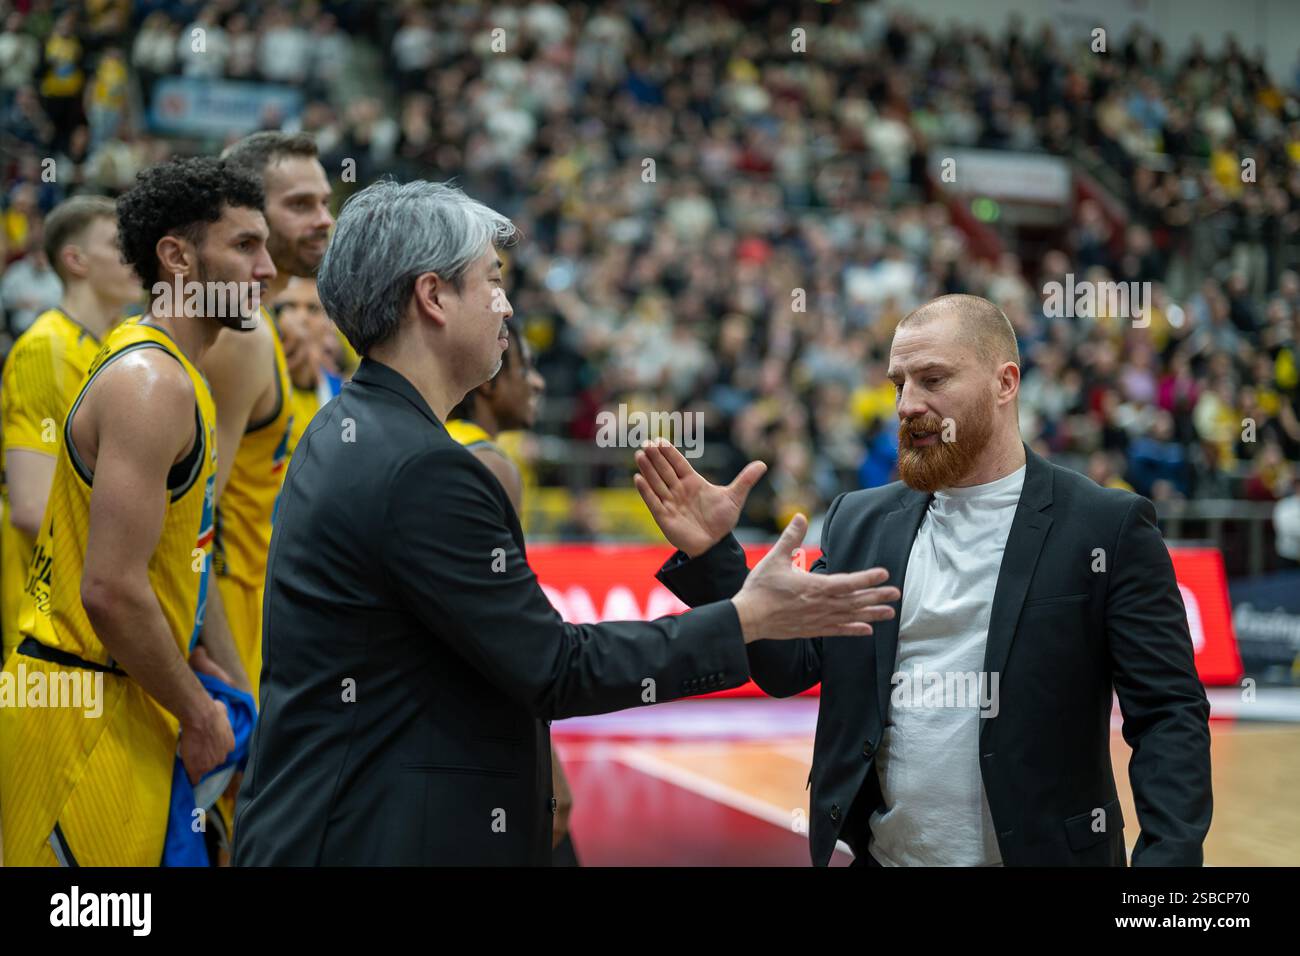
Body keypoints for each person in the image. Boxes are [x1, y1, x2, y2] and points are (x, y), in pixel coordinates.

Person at [232, 180, 900, 866]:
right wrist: (743, 617)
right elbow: (554, 667)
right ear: (432, 297)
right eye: (493, 282)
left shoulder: (346, 428)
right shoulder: (422, 468)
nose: (508, 304)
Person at [641, 293, 1213, 866]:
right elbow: (789, 668)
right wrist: (714, 553)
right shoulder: (859, 522)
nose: (908, 404)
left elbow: (1167, 714)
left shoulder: (1106, 527)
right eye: (898, 384)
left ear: (1005, 383)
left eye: (933, 379)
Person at [0, 158, 271, 865]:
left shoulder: (178, 376)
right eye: (245, 246)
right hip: (80, 711)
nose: (266, 269)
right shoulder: (151, 384)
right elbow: (112, 588)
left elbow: (165, 559)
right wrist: (200, 710)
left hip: (125, 695)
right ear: (178, 257)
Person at [203, 131, 332, 707]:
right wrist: (230, 686)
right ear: (250, 212)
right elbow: (192, 521)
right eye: (301, 205)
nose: (324, 219)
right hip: (225, 623)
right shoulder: (241, 335)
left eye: (325, 202)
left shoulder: (262, 330)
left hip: (261, 614)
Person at [446, 320, 579, 864]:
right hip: (479, 725)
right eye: (528, 367)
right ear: (490, 384)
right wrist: (549, 760)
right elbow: (504, 635)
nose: (541, 384)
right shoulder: (491, 464)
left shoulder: (429, 438)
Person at [1, 196, 139, 661]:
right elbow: (30, 505)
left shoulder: (118, 342)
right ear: (75, 260)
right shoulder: (46, 347)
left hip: (93, 598)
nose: (133, 253)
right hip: (44, 611)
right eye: (118, 245)